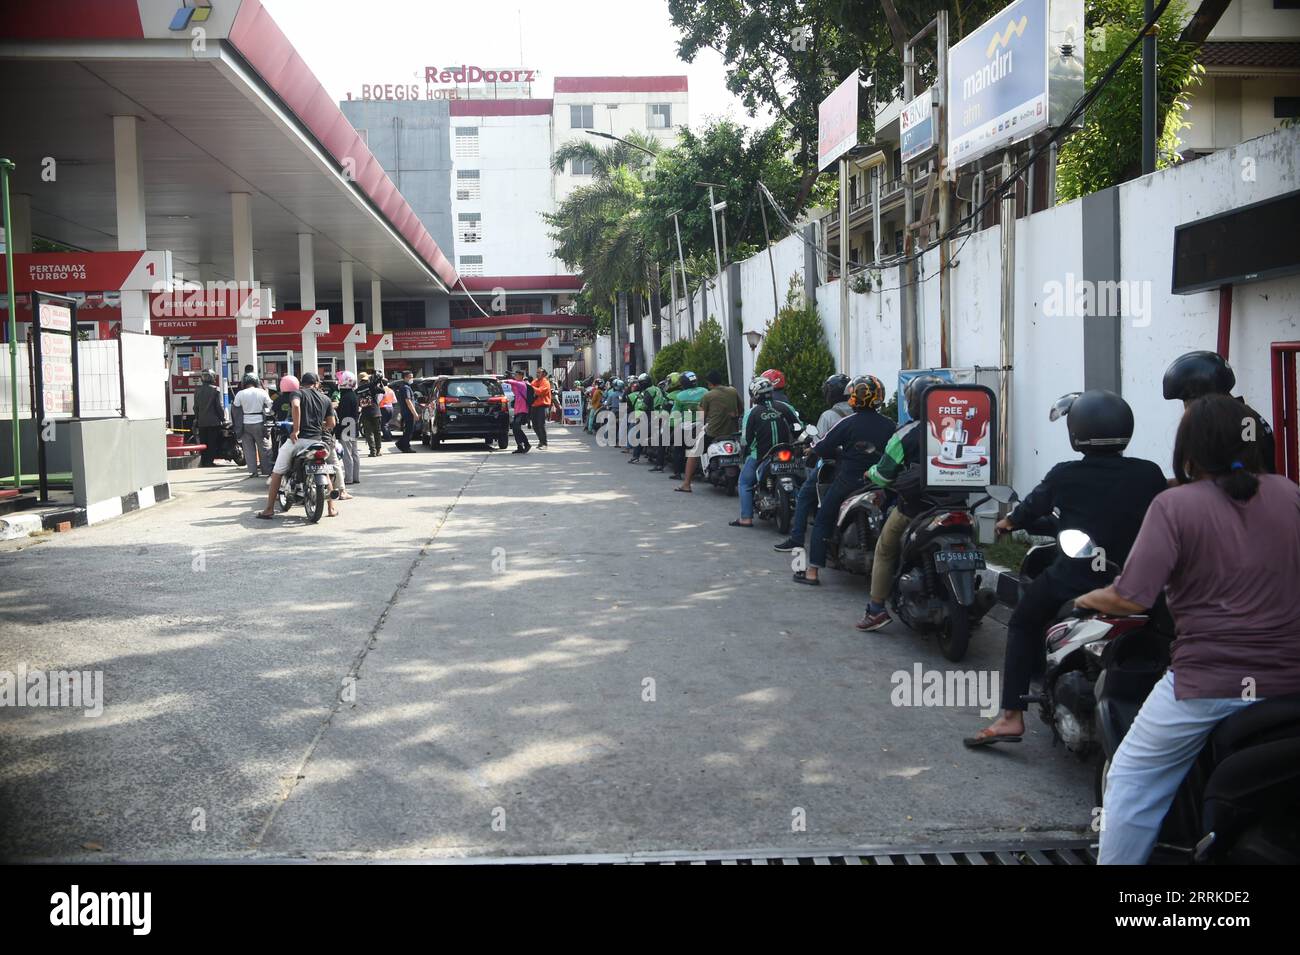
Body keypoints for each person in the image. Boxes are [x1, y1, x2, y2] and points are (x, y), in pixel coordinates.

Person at [1074, 394, 1300, 864]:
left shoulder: (1175, 506)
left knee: (1133, 778)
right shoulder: (1288, 493)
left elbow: (1132, 596)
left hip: (1208, 683)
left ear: (1189, 449)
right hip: (1289, 679)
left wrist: (1083, 598)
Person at [964, 390, 1167, 747]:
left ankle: (1011, 716)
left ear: (1077, 432)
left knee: (1023, 623)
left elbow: (1029, 508)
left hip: (1076, 578)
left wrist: (1009, 522)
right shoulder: (1148, 473)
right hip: (1137, 582)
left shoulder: (1065, 475)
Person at [856, 374, 943, 630]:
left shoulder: (906, 433)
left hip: (916, 508)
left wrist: (869, 473)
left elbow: (883, 475)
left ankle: (875, 610)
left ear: (915, 403)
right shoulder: (961, 428)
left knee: (884, 549)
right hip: (957, 505)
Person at [791, 375, 893, 584]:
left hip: (850, 480)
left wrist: (817, 449)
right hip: (882, 481)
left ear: (853, 397)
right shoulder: (890, 425)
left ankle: (812, 572)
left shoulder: (848, 423)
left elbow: (821, 447)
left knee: (823, 520)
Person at [775, 373, 852, 551]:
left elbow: (819, 444)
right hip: (859, 467)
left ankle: (797, 539)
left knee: (804, 496)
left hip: (833, 466)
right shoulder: (858, 411)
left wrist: (810, 449)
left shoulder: (829, 415)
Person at [1162, 350, 1274, 473]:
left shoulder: (1242, 421)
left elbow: (1249, 466)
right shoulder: (1246, 416)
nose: (1186, 410)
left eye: (1186, 401)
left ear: (1202, 399)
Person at [257, 372, 342, 519]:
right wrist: (319, 426)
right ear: (317, 383)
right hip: (318, 441)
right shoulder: (326, 399)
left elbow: (296, 406)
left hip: (299, 441)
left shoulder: (298, 393)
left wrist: (296, 429)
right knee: (324, 471)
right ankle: (331, 508)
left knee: (277, 471)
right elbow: (331, 424)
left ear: (302, 383)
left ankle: (269, 509)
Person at [731, 376, 801, 528]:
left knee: (744, 482)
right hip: (787, 452)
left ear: (754, 395)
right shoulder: (784, 407)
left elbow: (746, 439)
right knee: (802, 481)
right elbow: (799, 427)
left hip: (761, 456)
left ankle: (746, 518)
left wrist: (746, 453)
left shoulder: (752, 413)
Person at [677, 371, 741, 492]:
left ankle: (686, 484)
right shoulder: (733, 391)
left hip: (713, 432)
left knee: (693, 453)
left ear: (710, 384)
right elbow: (740, 409)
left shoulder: (708, 396)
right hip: (732, 432)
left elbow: (702, 416)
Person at [668, 371, 708, 480]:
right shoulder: (704, 391)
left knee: (678, 448)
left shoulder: (680, 396)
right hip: (703, 423)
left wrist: (670, 425)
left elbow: (675, 414)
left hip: (687, 425)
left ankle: (677, 473)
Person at [232, 372, 272, 478]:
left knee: (249, 449)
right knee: (264, 448)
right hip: (260, 423)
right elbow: (270, 405)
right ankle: (267, 471)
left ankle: (253, 472)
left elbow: (235, 409)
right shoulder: (262, 392)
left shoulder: (240, 394)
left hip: (245, 424)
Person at [193, 371, 225, 467]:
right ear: (212, 377)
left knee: (203, 442)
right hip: (214, 422)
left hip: (201, 422)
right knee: (212, 443)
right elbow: (218, 407)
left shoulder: (197, 390)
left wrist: (197, 418)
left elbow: (195, 407)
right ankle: (209, 461)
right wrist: (223, 418)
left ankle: (203, 460)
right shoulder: (215, 390)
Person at [335, 371, 361, 486]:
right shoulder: (353, 395)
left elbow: (342, 415)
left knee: (347, 453)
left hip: (346, 425)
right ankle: (355, 477)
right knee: (354, 452)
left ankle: (349, 478)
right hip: (353, 424)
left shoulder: (346, 397)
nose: (339, 382)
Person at [391, 370, 418, 453]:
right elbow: (408, 401)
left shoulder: (404, 386)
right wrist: (415, 413)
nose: (412, 379)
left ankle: (401, 443)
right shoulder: (405, 388)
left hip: (406, 412)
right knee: (409, 430)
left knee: (409, 430)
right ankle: (405, 446)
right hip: (408, 412)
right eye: (410, 377)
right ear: (405, 377)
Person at [358, 372, 383, 457]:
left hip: (365, 413)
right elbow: (382, 391)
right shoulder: (371, 386)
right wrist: (380, 383)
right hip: (376, 412)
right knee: (377, 432)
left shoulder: (357, 390)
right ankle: (378, 450)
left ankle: (373, 451)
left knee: (369, 433)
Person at [508, 368, 532, 453]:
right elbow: (513, 388)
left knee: (516, 427)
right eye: (515, 375)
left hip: (523, 410)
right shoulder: (517, 385)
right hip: (517, 410)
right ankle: (519, 446)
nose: (515, 376)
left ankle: (527, 444)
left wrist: (505, 380)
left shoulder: (522, 384)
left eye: (517, 375)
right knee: (515, 429)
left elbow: (513, 382)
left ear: (521, 376)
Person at [530, 368, 552, 448]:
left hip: (542, 406)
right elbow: (530, 390)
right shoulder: (534, 381)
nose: (537, 374)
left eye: (539, 373)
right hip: (534, 406)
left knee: (541, 425)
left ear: (543, 374)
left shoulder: (545, 382)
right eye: (537, 372)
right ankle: (541, 441)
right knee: (535, 425)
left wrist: (532, 388)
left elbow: (540, 391)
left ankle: (544, 443)